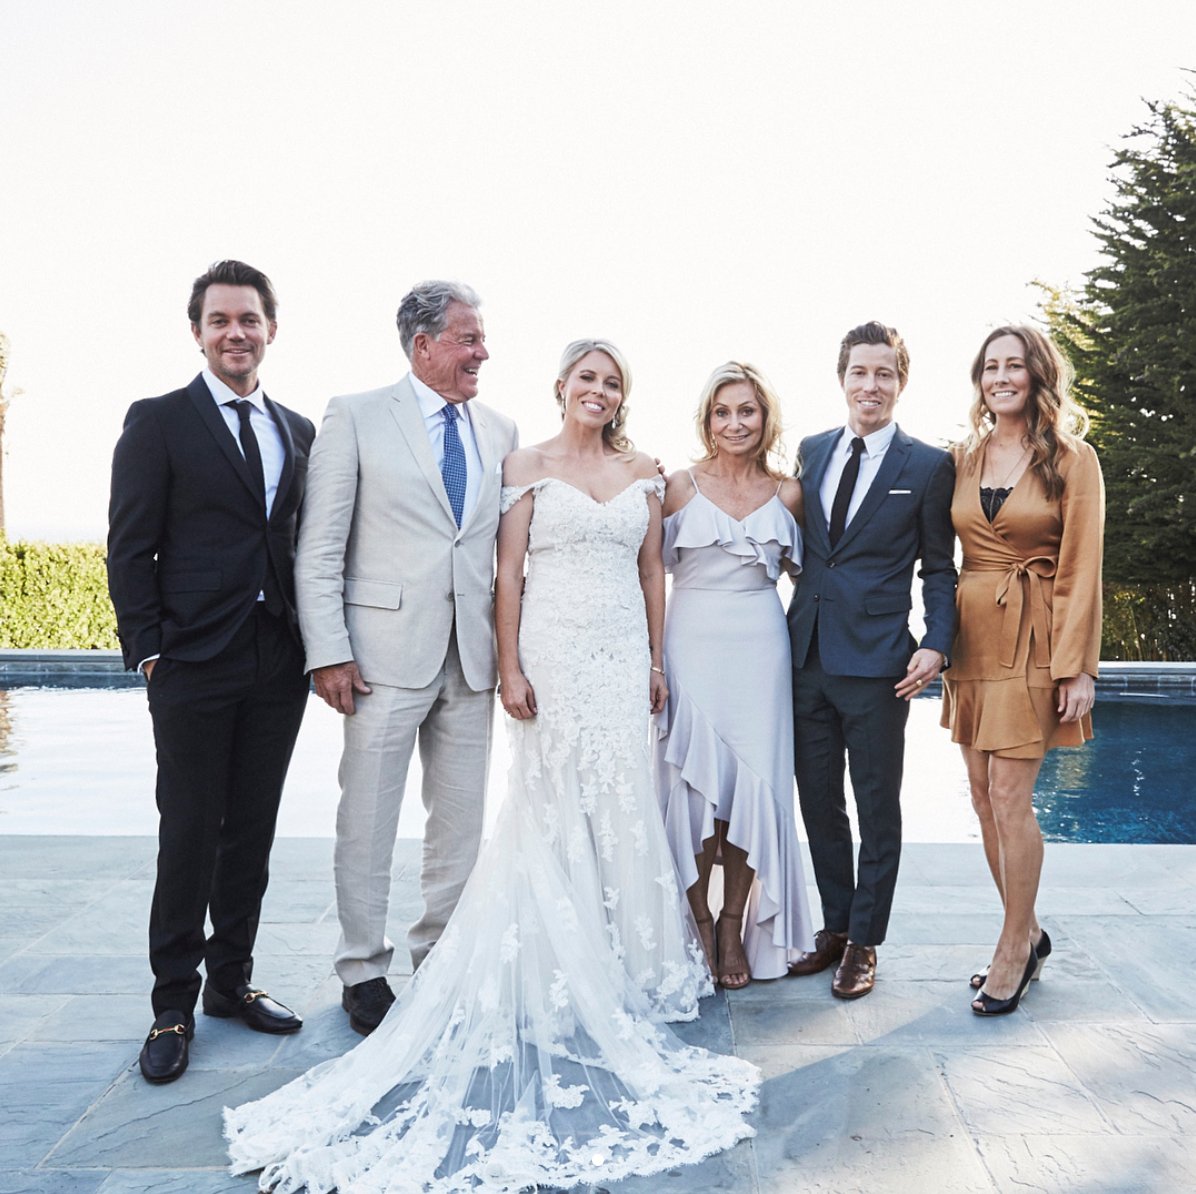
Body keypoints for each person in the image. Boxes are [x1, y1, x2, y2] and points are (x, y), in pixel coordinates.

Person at [224, 340, 755, 1192]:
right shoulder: (522, 460)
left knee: (620, 805)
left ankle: (621, 961)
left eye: (612, 381)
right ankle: (421, 964)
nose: (599, 390)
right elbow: (506, 573)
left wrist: (657, 661)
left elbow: (655, 570)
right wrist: (510, 665)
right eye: (587, 377)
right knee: (533, 808)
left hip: (619, 660)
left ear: (623, 397)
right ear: (561, 387)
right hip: (539, 654)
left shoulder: (646, 471)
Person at [107, 260, 315, 1084]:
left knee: (251, 831)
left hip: (277, 658)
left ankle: (231, 982)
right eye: (221, 320)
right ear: (198, 332)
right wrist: (149, 650)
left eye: (250, 319)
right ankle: (172, 1006)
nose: (237, 333)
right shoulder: (158, 421)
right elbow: (130, 544)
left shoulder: (299, 430)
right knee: (188, 832)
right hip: (191, 660)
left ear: (271, 329)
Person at [294, 281, 518, 1035]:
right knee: (368, 817)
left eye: (480, 339)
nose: (481, 352)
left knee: (458, 823)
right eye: (467, 339)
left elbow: (499, 550)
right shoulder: (354, 416)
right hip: (380, 658)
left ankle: (442, 959)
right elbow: (320, 544)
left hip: (472, 658)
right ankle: (362, 967)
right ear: (422, 345)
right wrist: (328, 649)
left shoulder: (499, 428)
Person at [786, 321, 957, 999]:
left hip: (881, 664)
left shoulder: (927, 466)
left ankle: (866, 941)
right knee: (819, 804)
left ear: (900, 383)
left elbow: (940, 569)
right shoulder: (811, 450)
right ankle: (834, 925)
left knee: (876, 806)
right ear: (842, 378)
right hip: (805, 656)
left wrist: (936, 642)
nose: (871, 385)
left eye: (884, 373)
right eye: (860, 372)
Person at [941, 326, 1103, 1016]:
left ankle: (1013, 949)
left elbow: (1081, 567)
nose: (1001, 377)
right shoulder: (966, 456)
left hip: (1035, 638)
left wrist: (1077, 668)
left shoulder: (1073, 458)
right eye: (991, 367)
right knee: (981, 795)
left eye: (1014, 365)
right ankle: (1027, 931)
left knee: (1010, 795)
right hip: (971, 639)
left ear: (1039, 375)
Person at [656, 362, 814, 988]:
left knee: (754, 788)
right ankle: (694, 917)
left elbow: (814, 582)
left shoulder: (791, 494)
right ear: (707, 420)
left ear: (764, 417)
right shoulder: (674, 486)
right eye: (723, 411)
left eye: (746, 410)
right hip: (690, 641)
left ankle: (732, 923)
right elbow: (644, 574)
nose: (735, 422)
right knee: (693, 786)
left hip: (760, 649)